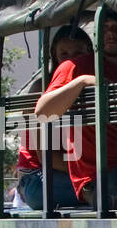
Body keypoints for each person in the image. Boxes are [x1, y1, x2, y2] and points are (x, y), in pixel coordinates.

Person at [33, 10, 117, 209]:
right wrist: (81, 82)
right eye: (105, 27)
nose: (110, 32)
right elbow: (43, 112)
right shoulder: (77, 67)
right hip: (100, 178)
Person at [17, 28, 95, 210]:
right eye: (64, 54)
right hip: (38, 178)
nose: (71, 60)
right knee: (110, 189)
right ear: (54, 57)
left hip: (76, 171)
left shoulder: (90, 87)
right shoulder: (41, 88)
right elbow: (48, 158)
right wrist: (92, 170)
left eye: (78, 53)